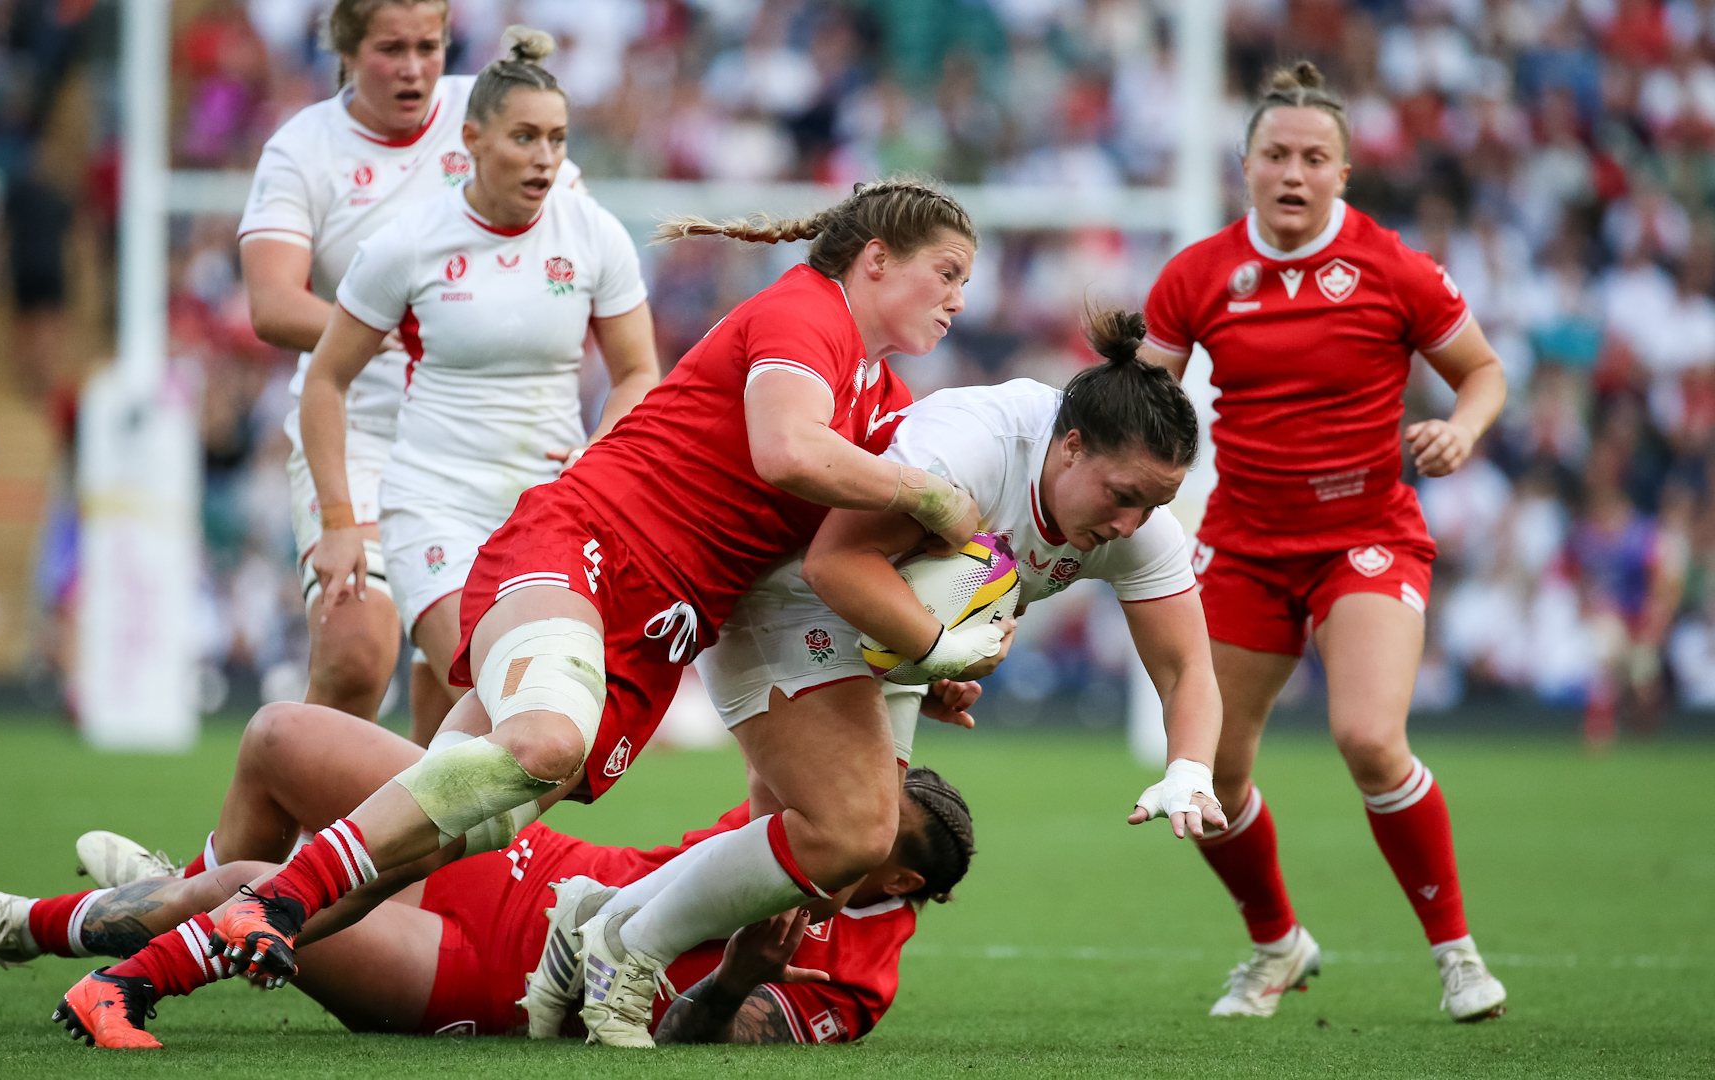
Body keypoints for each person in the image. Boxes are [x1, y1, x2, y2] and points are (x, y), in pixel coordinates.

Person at [62, 179, 986, 1052]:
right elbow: (787, 449)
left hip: (652, 637)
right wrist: (933, 497)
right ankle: (251, 902)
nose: (958, 301)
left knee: (428, 834)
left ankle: (123, 979)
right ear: (873, 258)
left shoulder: (883, 399)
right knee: (538, 743)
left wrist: (915, 657)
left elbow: (829, 564)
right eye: (946, 273)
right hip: (591, 549)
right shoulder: (806, 313)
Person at [550, 311, 1226, 1035]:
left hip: (883, 635)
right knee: (851, 834)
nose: (1132, 523)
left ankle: (594, 917)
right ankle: (627, 952)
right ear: (1070, 446)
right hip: (787, 597)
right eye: (1123, 496)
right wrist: (940, 651)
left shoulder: (1134, 523)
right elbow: (833, 561)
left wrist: (1189, 768)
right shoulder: (978, 445)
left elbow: (1188, 666)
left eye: (1152, 504)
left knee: (831, 883)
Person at [0, 705, 974, 1048]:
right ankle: (174, 893)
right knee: (277, 740)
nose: (859, 833)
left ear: (909, 888)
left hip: (485, 976)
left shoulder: (853, 980)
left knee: (252, 891)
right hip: (531, 861)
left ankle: (24, 926)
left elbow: (692, 1044)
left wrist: (737, 977)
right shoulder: (811, 815)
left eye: (885, 849)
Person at [1138, 62, 1510, 1022]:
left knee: (1369, 738)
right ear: (1246, 167)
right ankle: (1275, 945)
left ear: (1344, 172)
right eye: (1276, 155)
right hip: (1247, 543)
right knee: (1209, 772)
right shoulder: (1198, 275)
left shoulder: (1392, 266)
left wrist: (1462, 429)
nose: (1293, 172)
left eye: (1314, 157)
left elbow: (1483, 374)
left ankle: (1459, 957)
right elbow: (1139, 402)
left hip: (1366, 537)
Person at [301, 29, 657, 747]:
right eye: (524, 137)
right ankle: (300, 820)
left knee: (467, 746)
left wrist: (595, 462)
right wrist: (340, 523)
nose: (545, 157)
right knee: (496, 686)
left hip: (548, 511)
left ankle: (364, 854)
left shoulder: (593, 235)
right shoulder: (408, 243)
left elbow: (638, 373)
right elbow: (325, 380)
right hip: (436, 503)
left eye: (557, 138)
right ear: (471, 139)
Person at [237, 0, 584, 735]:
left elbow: (570, 241)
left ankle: (400, 850)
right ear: (347, 52)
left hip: (484, 447)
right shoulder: (303, 150)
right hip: (359, 436)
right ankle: (300, 838)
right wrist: (388, 323)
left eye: (429, 46)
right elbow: (271, 304)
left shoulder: (489, 113)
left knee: (471, 678)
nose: (414, 67)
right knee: (358, 651)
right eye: (391, 49)